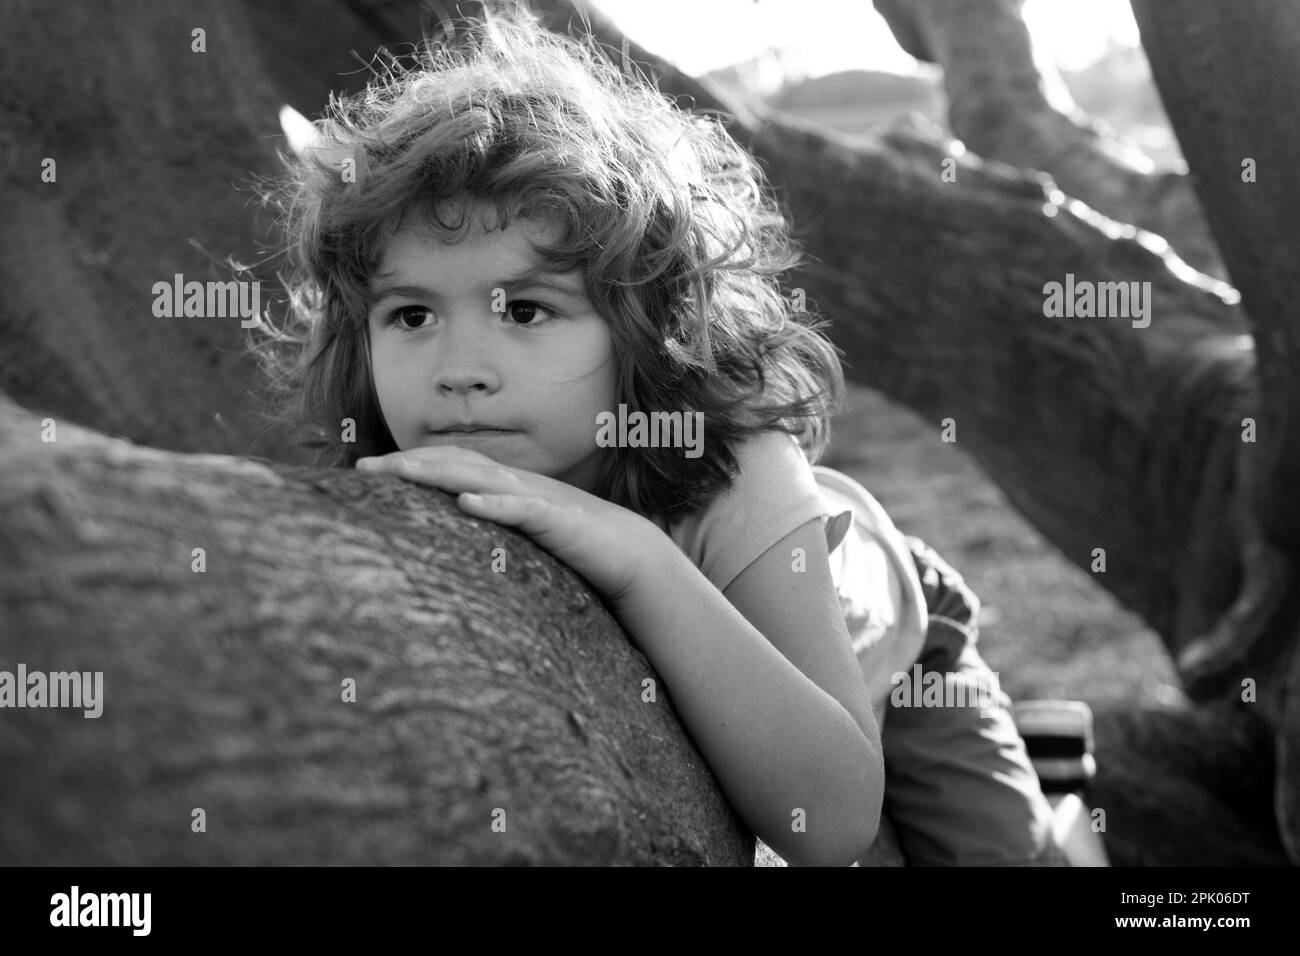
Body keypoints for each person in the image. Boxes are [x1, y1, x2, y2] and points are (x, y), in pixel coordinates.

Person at [249, 4, 1065, 866]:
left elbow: (826, 823)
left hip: (892, 640)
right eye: (411, 314)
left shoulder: (735, 469)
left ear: (644, 324)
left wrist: (642, 559)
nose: (461, 368)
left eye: (526, 310)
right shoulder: (405, 457)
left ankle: (1064, 797)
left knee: (997, 857)